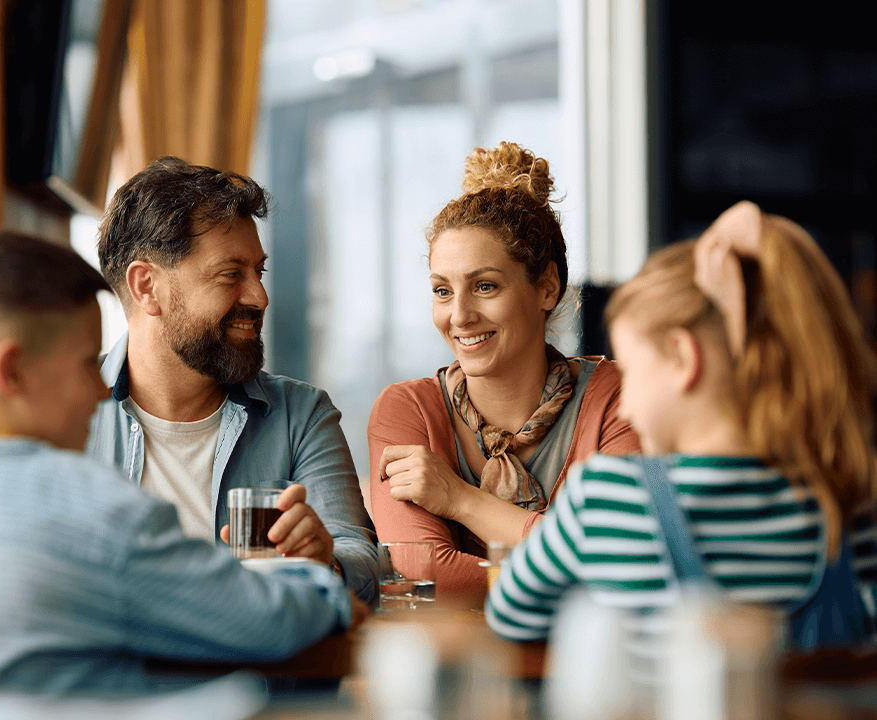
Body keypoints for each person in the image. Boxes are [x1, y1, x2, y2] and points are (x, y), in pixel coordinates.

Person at [0, 226, 361, 694]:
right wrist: (314, 579)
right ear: (12, 372)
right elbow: (270, 622)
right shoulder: (96, 512)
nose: (101, 390)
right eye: (82, 363)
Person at [486, 201, 877, 643]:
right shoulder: (846, 500)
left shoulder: (607, 494)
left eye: (630, 372)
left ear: (683, 358)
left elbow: (510, 615)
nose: (627, 407)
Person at [87, 156, 378, 603]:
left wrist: (328, 562)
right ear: (147, 286)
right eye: (230, 275)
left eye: (258, 272)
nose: (260, 296)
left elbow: (361, 557)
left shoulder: (299, 416)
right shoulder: (68, 413)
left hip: (260, 673)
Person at [368, 142, 641, 603]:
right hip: (456, 668)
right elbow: (425, 575)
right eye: (442, 291)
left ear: (547, 288)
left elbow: (619, 565)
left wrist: (459, 499)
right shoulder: (407, 410)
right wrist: (569, 563)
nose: (459, 316)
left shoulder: (619, 398)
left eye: (485, 286)